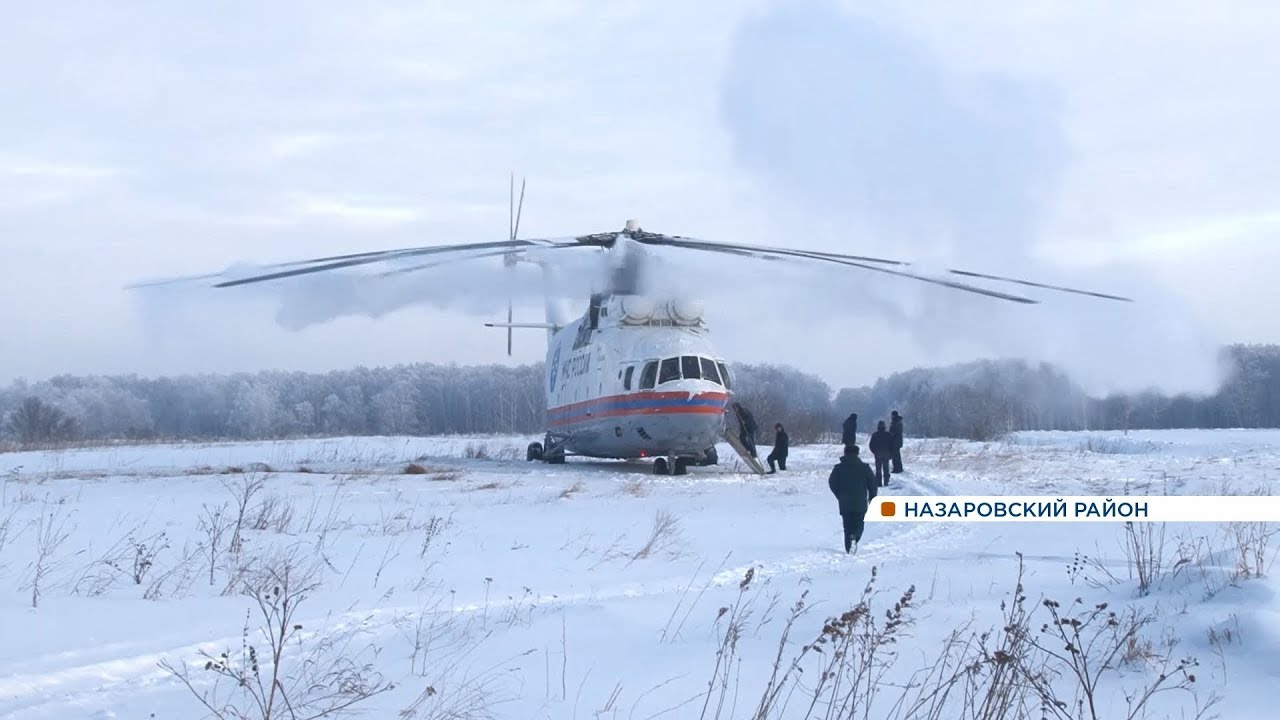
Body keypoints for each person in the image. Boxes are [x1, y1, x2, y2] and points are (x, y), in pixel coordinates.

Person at [827, 444, 878, 553]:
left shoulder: (838, 468)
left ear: (845, 453)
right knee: (859, 523)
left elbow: (832, 483)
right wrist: (873, 497)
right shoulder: (864, 468)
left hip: (844, 502)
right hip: (860, 501)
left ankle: (848, 549)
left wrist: (839, 494)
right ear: (857, 453)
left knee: (847, 525)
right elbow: (873, 484)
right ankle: (855, 537)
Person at [869, 419, 893, 486]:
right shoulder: (889, 435)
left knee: (878, 470)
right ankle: (886, 482)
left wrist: (875, 452)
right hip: (886, 454)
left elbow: (871, 445)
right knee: (886, 469)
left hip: (878, 454)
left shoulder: (875, 435)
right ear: (884, 426)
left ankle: (878, 483)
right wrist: (891, 454)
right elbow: (892, 445)